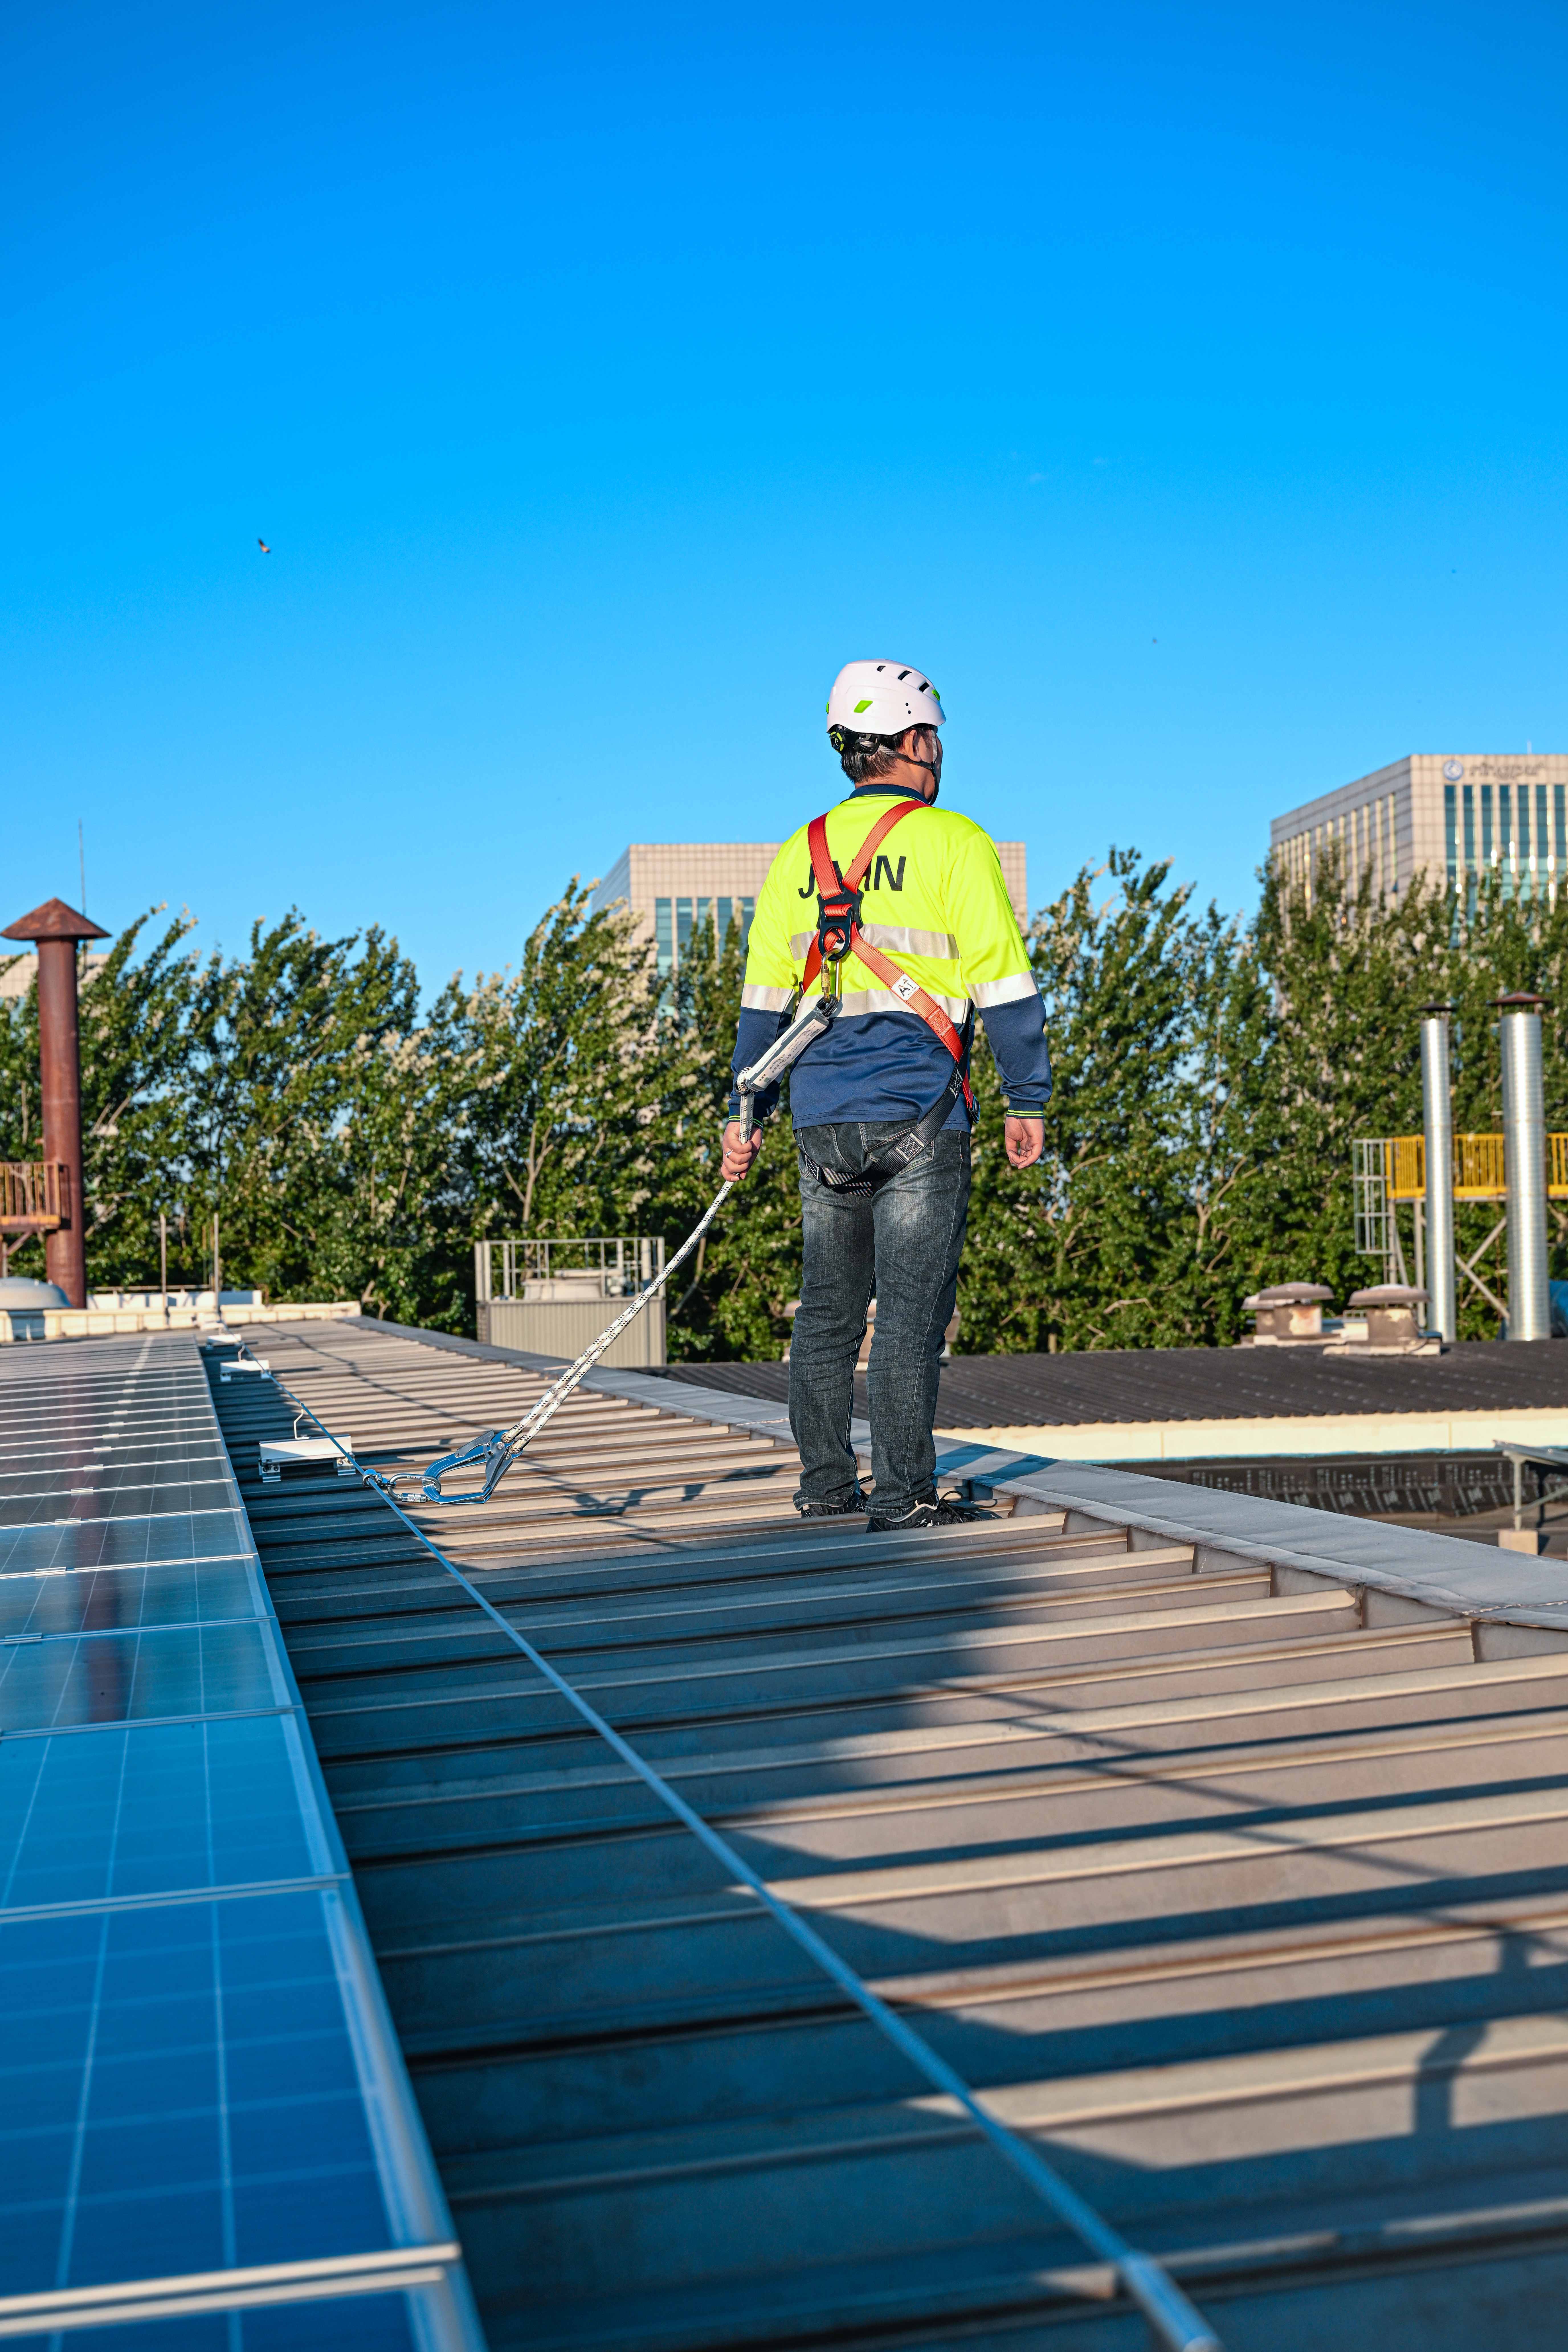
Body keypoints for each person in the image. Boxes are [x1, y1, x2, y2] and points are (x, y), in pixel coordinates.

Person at [722, 660, 1051, 1532]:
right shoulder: (955, 842)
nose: (939, 754)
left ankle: (827, 1486)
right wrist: (1029, 1100)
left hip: (820, 1118)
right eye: (934, 738)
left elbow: (763, 1007)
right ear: (913, 741)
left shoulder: (799, 854)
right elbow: (1008, 990)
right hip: (921, 1114)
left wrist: (742, 1114)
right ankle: (902, 1498)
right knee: (909, 1316)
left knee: (828, 1311)